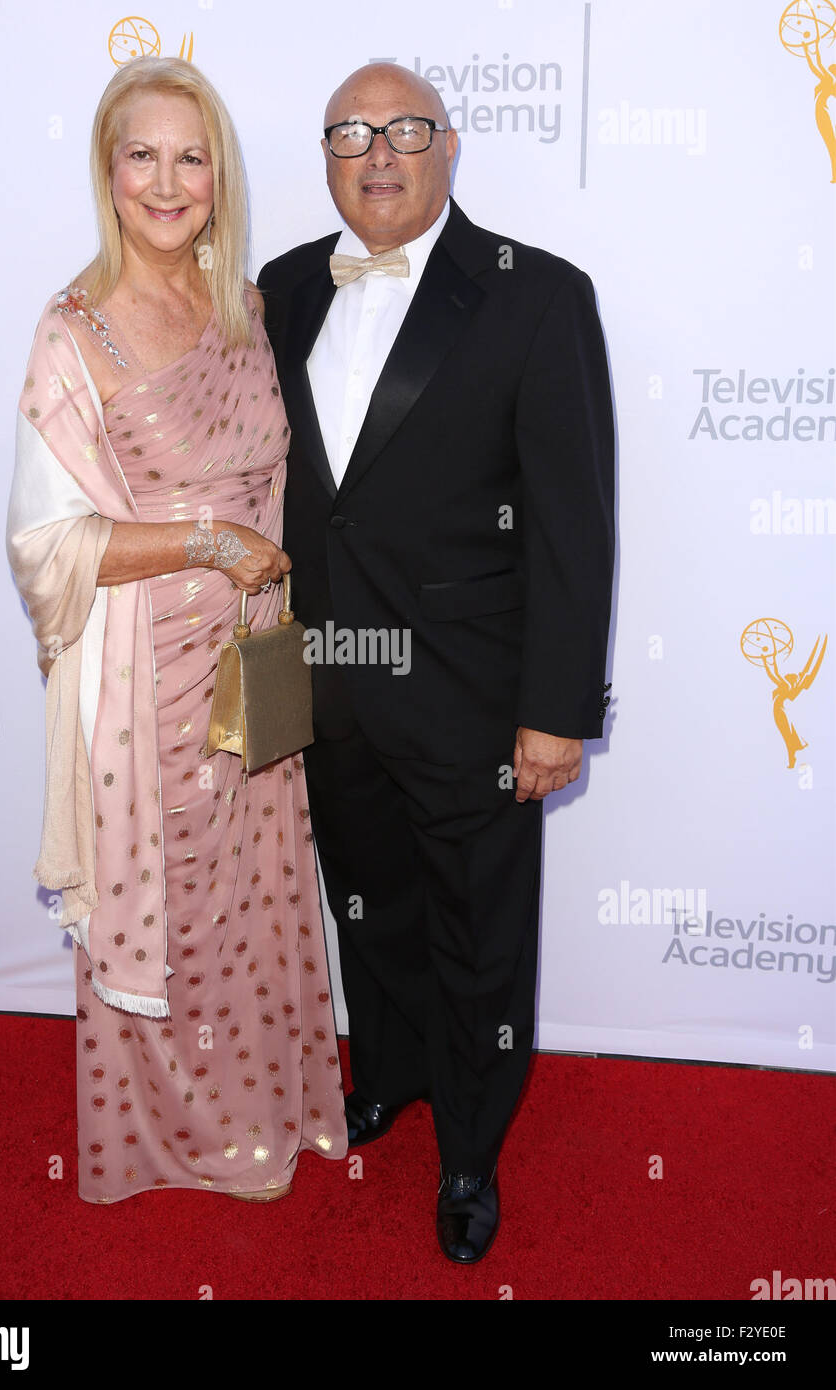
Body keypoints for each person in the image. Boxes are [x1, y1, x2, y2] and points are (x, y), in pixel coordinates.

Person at [257, 62, 614, 1261]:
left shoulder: (535, 296)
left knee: (478, 932)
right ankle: (392, 1074)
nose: (378, 152)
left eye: (404, 128)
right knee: (371, 906)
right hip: (326, 683)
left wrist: (554, 712)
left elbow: (574, 522)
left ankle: (470, 1143)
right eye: (350, 132)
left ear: (449, 147)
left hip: (472, 699)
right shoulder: (286, 286)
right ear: (325, 157)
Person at [6, 55, 347, 1205]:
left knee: (255, 898)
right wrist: (205, 543)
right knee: (170, 907)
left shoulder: (242, 309)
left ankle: (261, 1109)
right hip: (145, 675)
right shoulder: (73, 334)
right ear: (108, 171)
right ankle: (164, 1135)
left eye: (189, 156)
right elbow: (47, 546)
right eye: (141, 155)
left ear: (218, 174)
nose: (166, 181)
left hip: (256, 661)